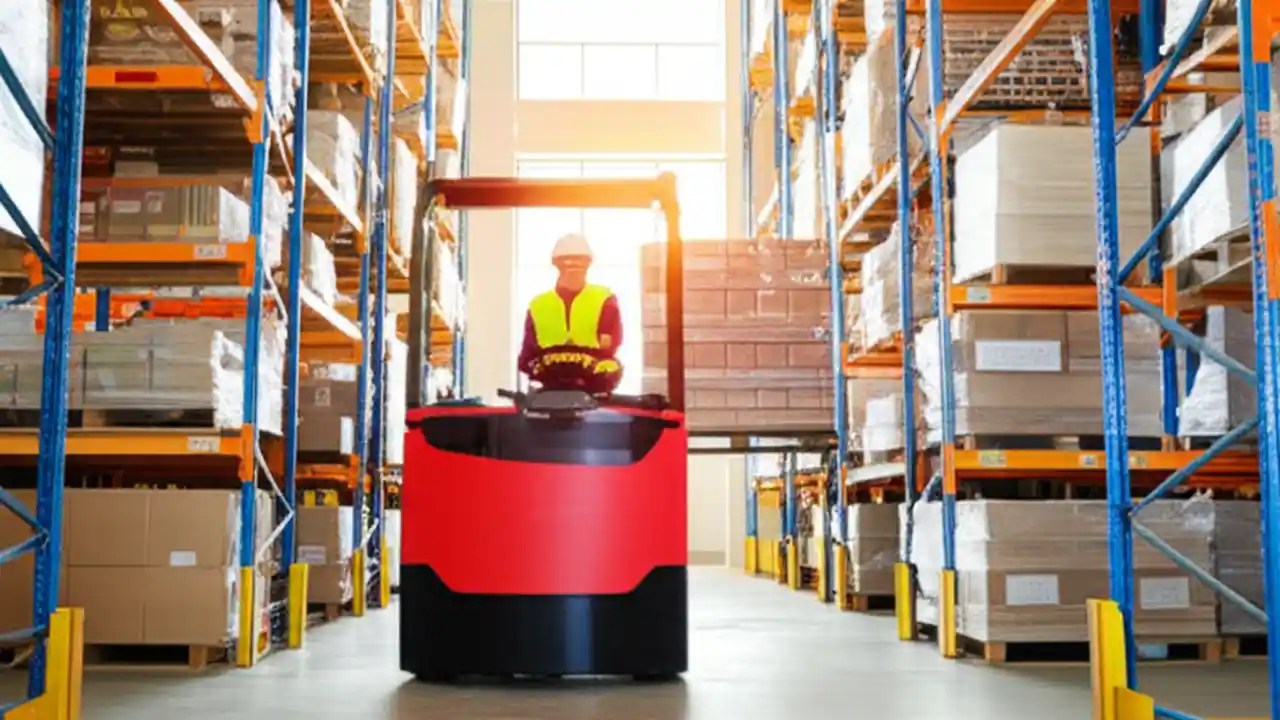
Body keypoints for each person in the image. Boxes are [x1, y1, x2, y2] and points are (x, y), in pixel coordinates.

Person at [517, 233, 623, 393]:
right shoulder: (538, 304)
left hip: (593, 388)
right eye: (567, 261)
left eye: (579, 261)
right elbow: (527, 357)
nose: (573, 266)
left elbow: (610, 347)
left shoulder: (605, 300)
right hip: (548, 389)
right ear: (556, 264)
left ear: (588, 263)